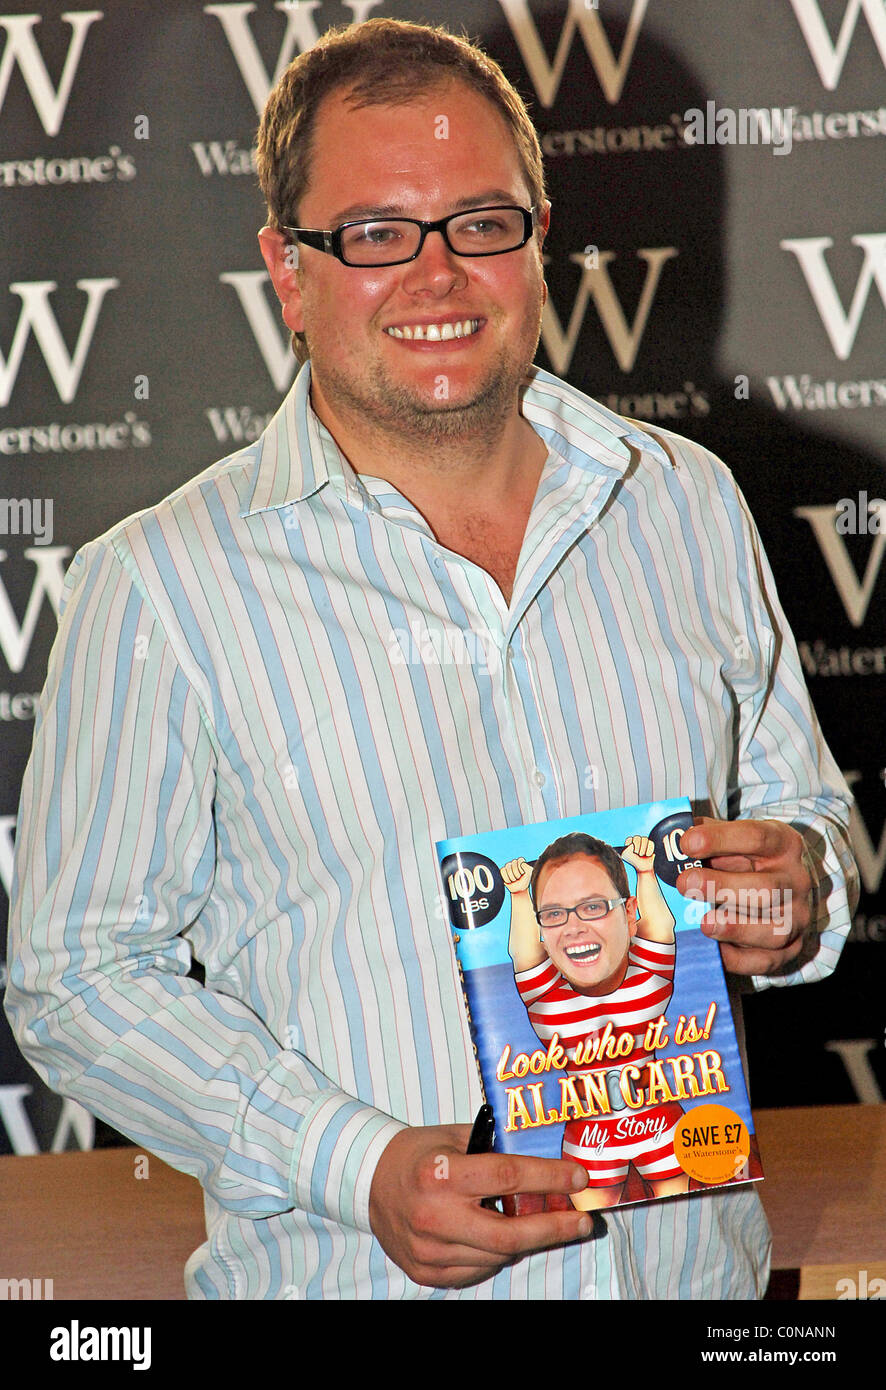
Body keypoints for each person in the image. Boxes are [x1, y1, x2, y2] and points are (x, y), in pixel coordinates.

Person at [5, 18, 858, 1300]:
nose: (438, 273)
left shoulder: (686, 500)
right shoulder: (162, 585)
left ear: (540, 240)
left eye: (480, 222)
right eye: (374, 234)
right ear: (287, 273)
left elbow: (810, 821)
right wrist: (353, 1161)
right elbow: (75, 980)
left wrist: (799, 892)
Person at [503, 834, 690, 1209]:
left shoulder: (647, 979)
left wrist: (647, 872)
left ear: (628, 914)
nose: (573, 927)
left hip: (662, 1127)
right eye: (554, 914)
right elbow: (522, 952)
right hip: (590, 1138)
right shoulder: (548, 1001)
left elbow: (659, 925)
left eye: (594, 907)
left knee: (681, 1213)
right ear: (542, 931)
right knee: (587, 1226)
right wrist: (520, 896)